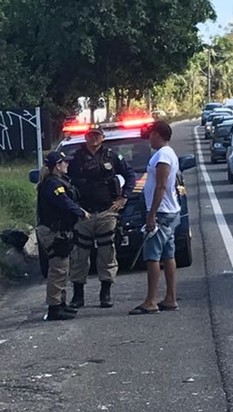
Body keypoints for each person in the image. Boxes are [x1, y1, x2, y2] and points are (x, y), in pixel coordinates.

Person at [67, 127, 136, 309]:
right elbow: (64, 181)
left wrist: (124, 197)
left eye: (97, 135)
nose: (94, 139)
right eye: (91, 135)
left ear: (103, 138)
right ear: (85, 137)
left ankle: (105, 294)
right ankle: (78, 296)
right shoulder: (75, 159)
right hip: (83, 213)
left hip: (107, 212)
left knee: (107, 254)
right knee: (79, 256)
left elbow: (130, 175)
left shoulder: (112, 156)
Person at [130, 120, 181, 315]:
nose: (149, 138)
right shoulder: (165, 153)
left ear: (157, 134)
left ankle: (151, 300)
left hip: (162, 213)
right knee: (168, 254)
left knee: (152, 256)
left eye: (151, 134)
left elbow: (161, 185)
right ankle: (170, 298)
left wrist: (151, 214)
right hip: (169, 211)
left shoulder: (163, 156)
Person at [36, 152, 88, 321]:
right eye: (64, 162)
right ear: (57, 166)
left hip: (59, 231)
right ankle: (54, 308)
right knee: (58, 269)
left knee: (63, 268)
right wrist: (80, 212)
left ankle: (61, 304)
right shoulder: (53, 184)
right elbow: (64, 202)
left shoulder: (59, 181)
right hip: (53, 232)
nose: (67, 164)